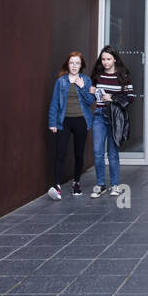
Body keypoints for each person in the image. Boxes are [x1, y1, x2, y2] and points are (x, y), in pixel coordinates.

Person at [47, 51, 93, 200]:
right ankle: (57, 186)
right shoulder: (60, 81)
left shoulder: (86, 80)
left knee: (79, 154)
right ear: (68, 64)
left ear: (81, 65)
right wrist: (52, 122)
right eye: (71, 63)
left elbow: (90, 101)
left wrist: (82, 87)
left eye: (77, 63)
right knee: (60, 153)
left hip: (81, 120)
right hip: (64, 121)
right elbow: (54, 102)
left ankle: (76, 183)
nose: (74, 66)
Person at [89, 45, 132, 197]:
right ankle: (100, 185)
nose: (106, 62)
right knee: (97, 152)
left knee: (113, 153)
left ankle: (115, 185)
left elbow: (130, 98)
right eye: (103, 59)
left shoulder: (123, 75)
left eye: (108, 59)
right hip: (99, 115)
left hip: (115, 117)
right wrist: (91, 92)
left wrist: (113, 98)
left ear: (115, 59)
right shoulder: (97, 75)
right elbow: (91, 98)